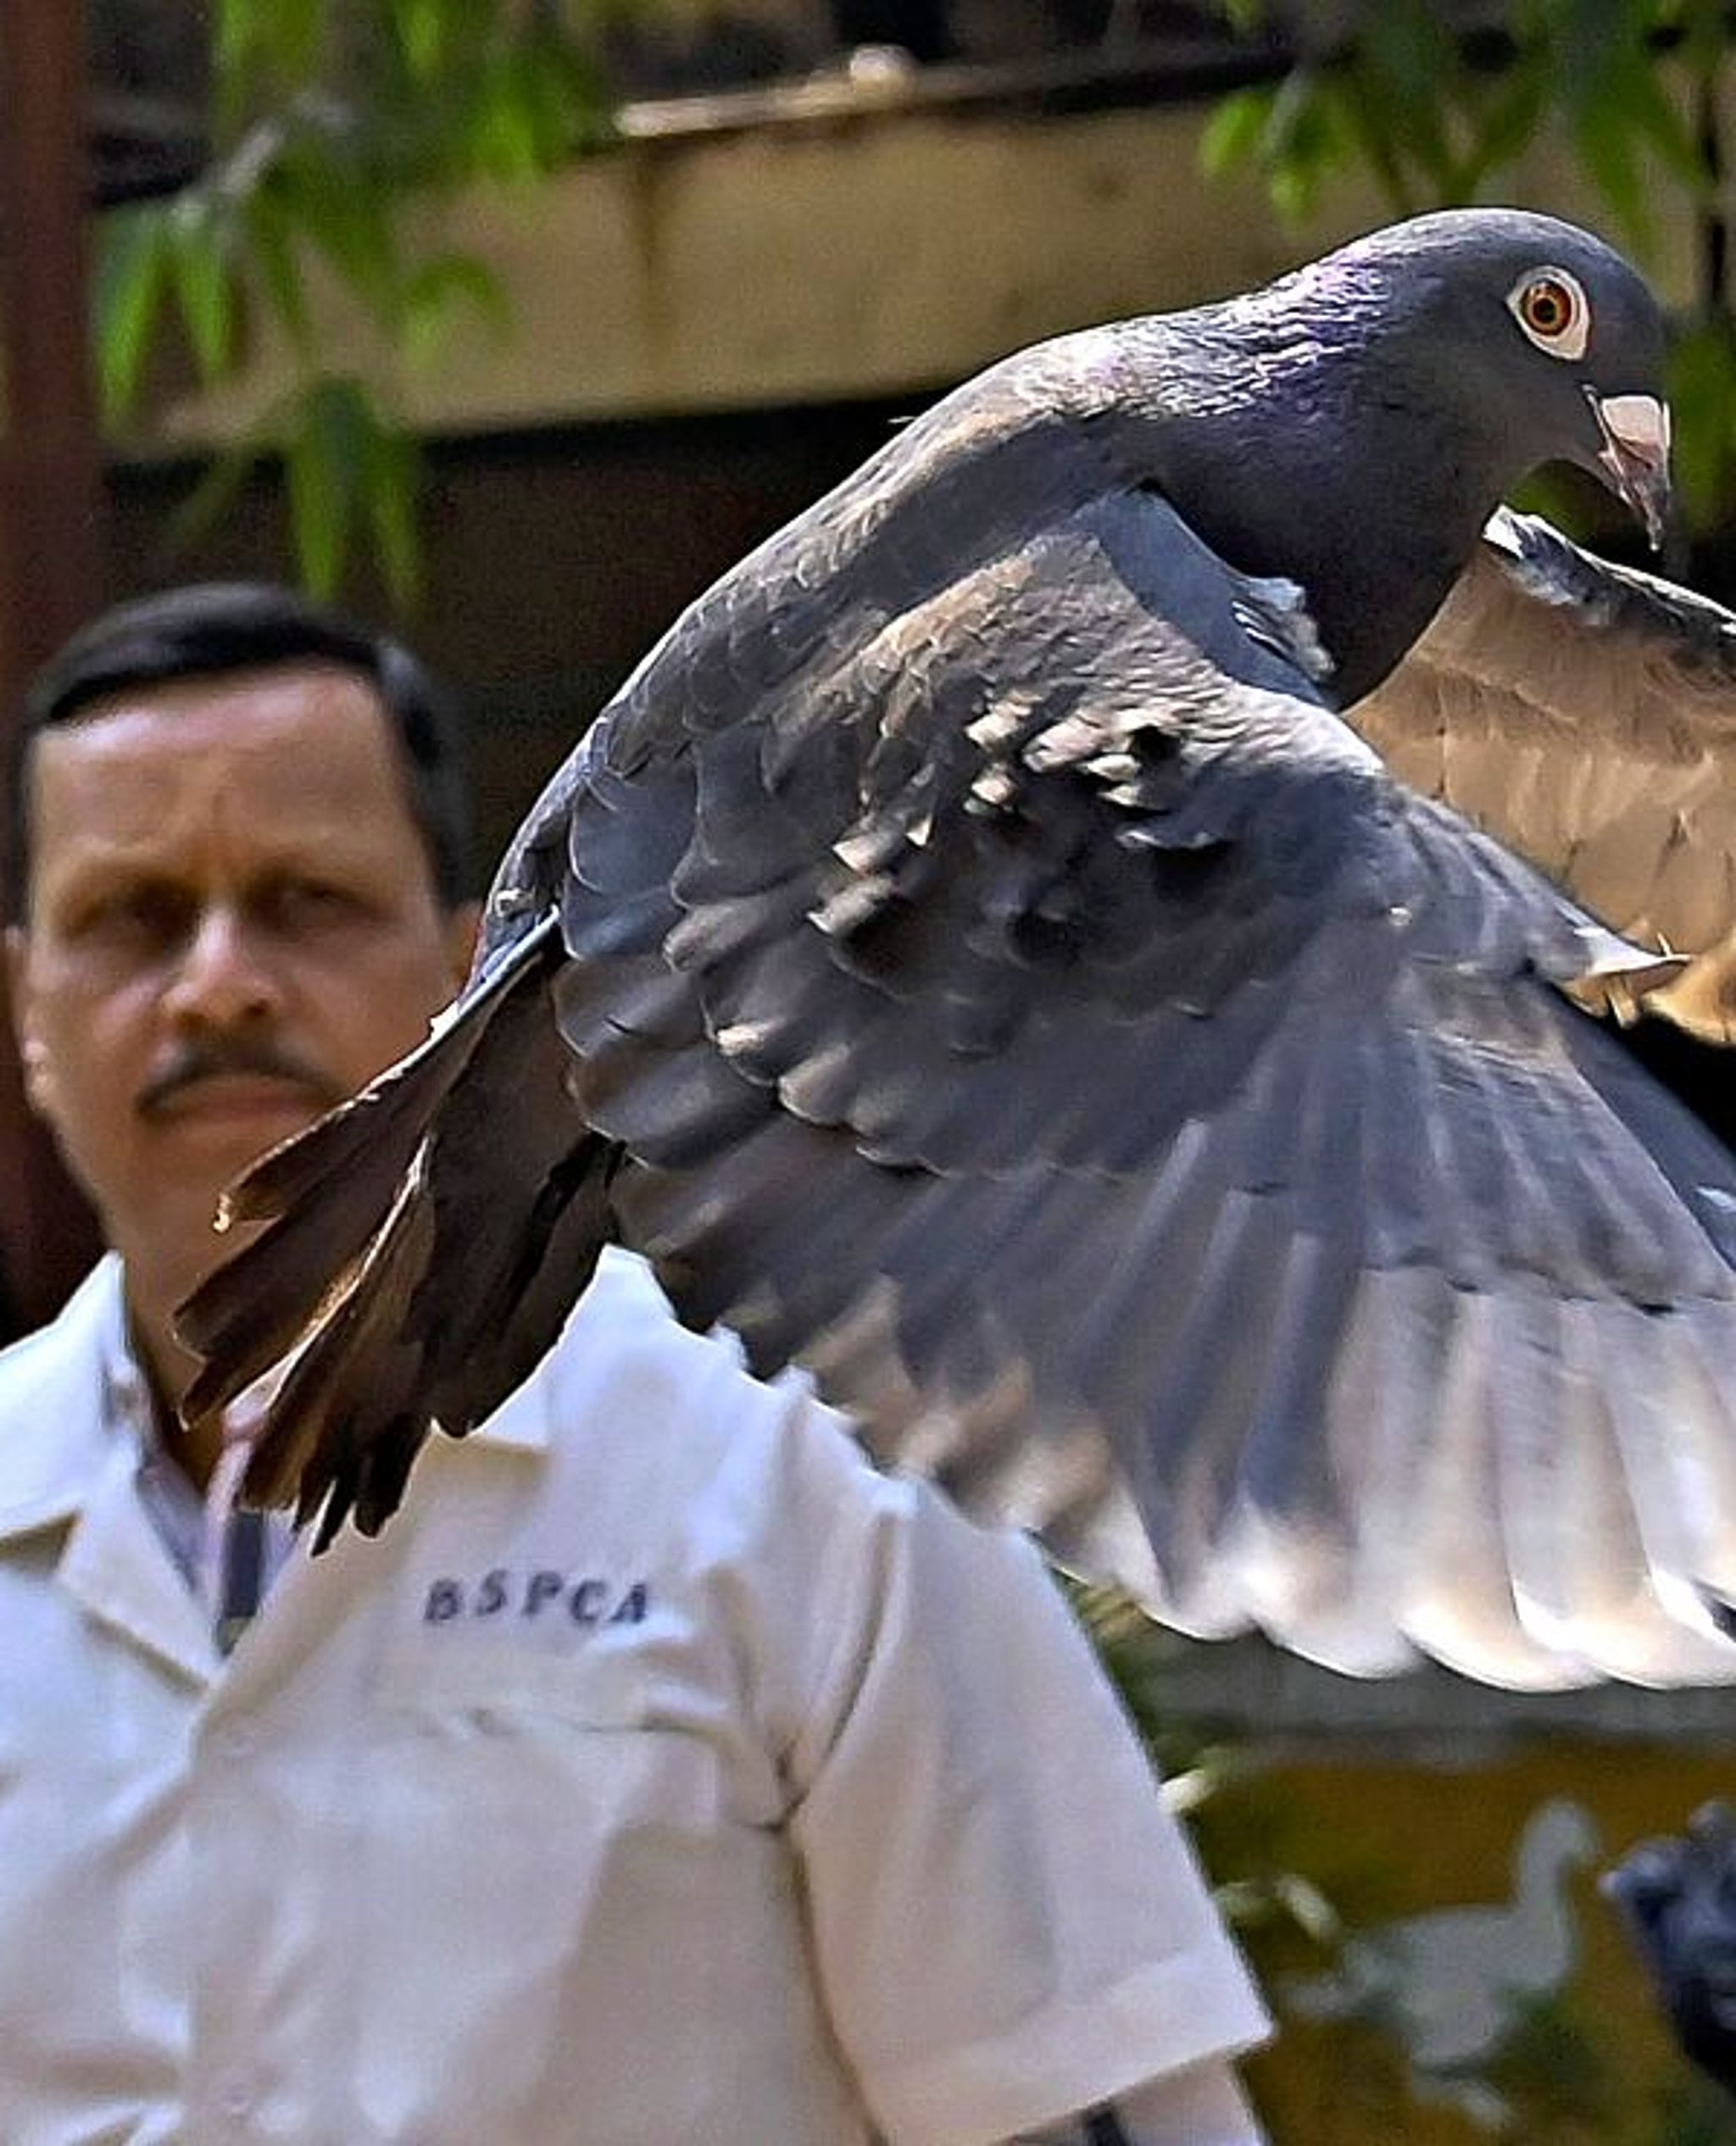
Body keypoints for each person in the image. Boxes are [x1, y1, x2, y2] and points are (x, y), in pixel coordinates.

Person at [0, 581, 1270, 2143]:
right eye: (132, 919)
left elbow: (1081, 2102)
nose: (219, 983)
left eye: (305, 900)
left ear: (468, 970)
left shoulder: (801, 1464)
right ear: (28, 1010)